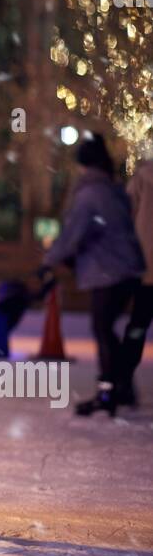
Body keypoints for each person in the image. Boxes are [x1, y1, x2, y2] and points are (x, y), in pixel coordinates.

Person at [43, 133, 144, 416]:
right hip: (128, 270)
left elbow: (73, 233)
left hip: (109, 272)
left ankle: (111, 390)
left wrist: (49, 260)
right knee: (108, 330)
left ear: (84, 165)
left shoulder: (90, 194)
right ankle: (119, 387)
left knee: (103, 329)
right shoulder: (113, 189)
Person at [119, 153, 153, 406]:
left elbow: (125, 216)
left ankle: (124, 381)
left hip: (146, 268)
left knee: (138, 326)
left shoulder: (143, 177)